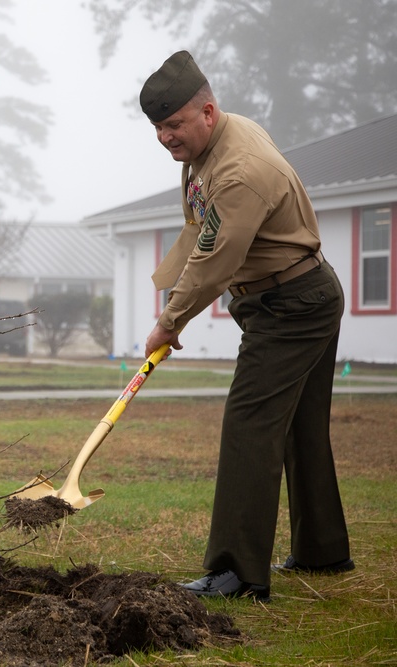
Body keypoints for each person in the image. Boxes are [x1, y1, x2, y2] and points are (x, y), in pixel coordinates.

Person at [138, 51, 353, 602]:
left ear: (207, 111)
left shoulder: (238, 170)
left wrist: (168, 322)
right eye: (159, 128)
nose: (166, 137)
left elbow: (216, 260)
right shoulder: (219, 140)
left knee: (249, 425)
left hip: (291, 305)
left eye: (175, 124)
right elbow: (200, 225)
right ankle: (321, 550)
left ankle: (235, 572)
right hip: (299, 294)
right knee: (302, 427)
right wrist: (170, 293)